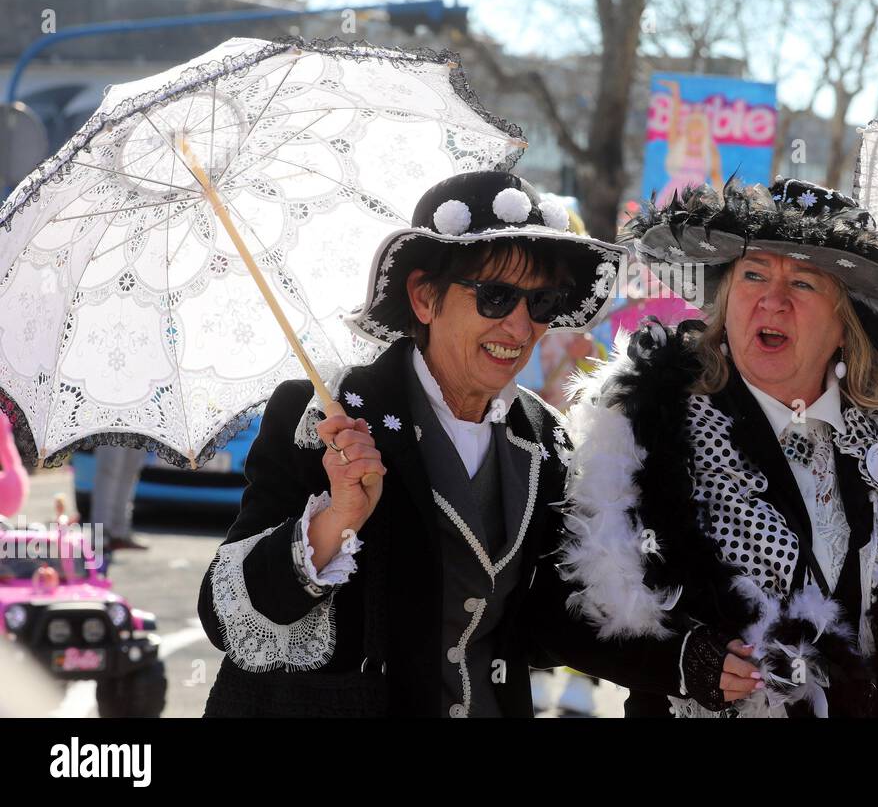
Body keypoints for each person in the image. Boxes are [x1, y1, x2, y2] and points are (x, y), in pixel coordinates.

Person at [556, 178, 878, 716]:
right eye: (752, 275)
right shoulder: (651, 427)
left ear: (846, 325)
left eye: (802, 284)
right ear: (725, 303)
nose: (771, 301)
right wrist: (685, 663)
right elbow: (578, 611)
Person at [197, 171, 632, 716]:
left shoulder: (546, 438)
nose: (521, 328)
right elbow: (224, 616)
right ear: (425, 298)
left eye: (541, 302)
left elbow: (545, 624)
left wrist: (691, 657)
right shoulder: (321, 417)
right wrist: (336, 519)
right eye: (496, 297)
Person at [91, 445, 148, 551]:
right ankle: (100, 535)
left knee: (130, 470)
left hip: (140, 428)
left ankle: (120, 532)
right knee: (108, 469)